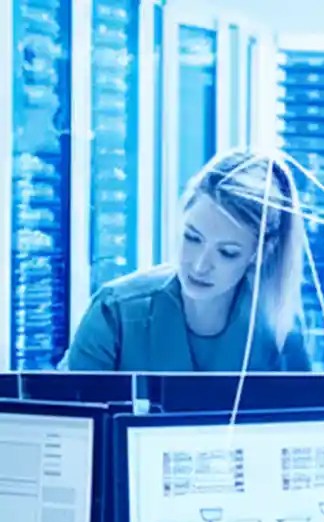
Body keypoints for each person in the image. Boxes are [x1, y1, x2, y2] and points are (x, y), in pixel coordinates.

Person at [63, 149, 311, 371]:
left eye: (227, 252)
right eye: (192, 238)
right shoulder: (115, 312)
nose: (200, 265)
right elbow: (70, 416)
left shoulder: (280, 330)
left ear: (259, 254)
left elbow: (304, 421)